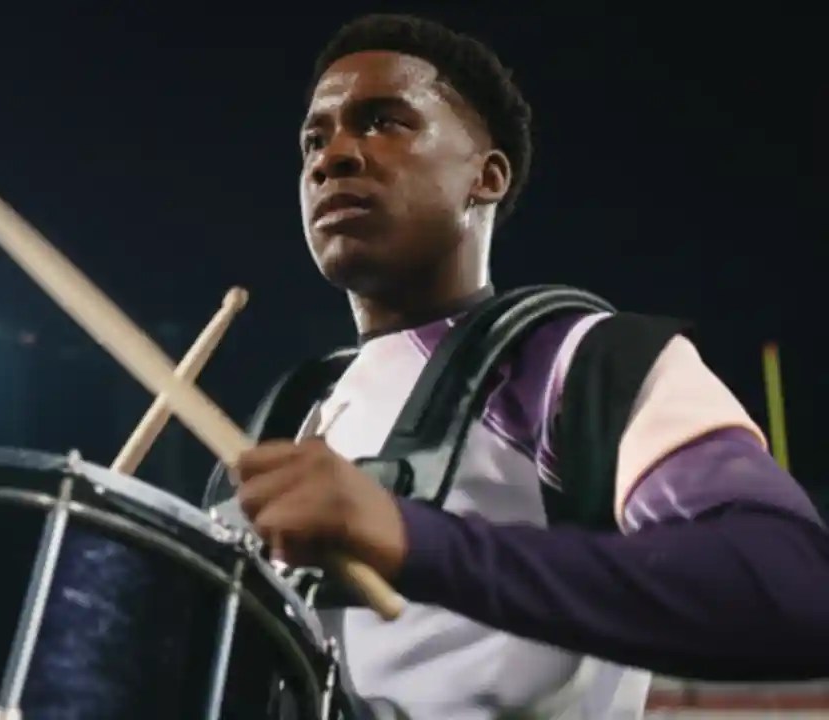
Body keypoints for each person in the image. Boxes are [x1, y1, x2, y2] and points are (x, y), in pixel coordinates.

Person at [214, 12, 829, 719]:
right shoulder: (287, 421)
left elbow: (794, 590)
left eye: (382, 121)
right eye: (313, 139)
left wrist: (415, 539)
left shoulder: (574, 359)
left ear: (488, 176)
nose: (332, 156)